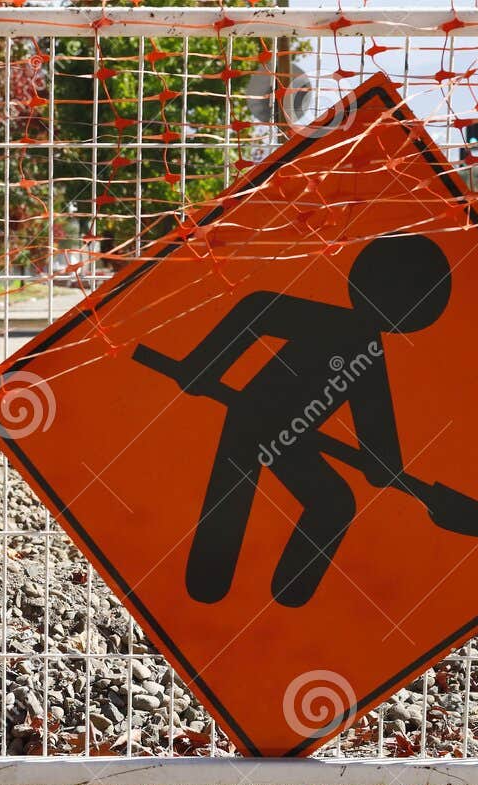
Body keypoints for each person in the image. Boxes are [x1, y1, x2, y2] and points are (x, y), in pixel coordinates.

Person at [168, 232, 452, 607]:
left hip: (294, 437)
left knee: (334, 503)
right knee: (232, 494)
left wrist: (383, 464)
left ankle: (287, 600)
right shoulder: (330, 322)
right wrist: (204, 365)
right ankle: (206, 587)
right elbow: (257, 308)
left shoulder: (370, 352)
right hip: (251, 418)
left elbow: (373, 418)